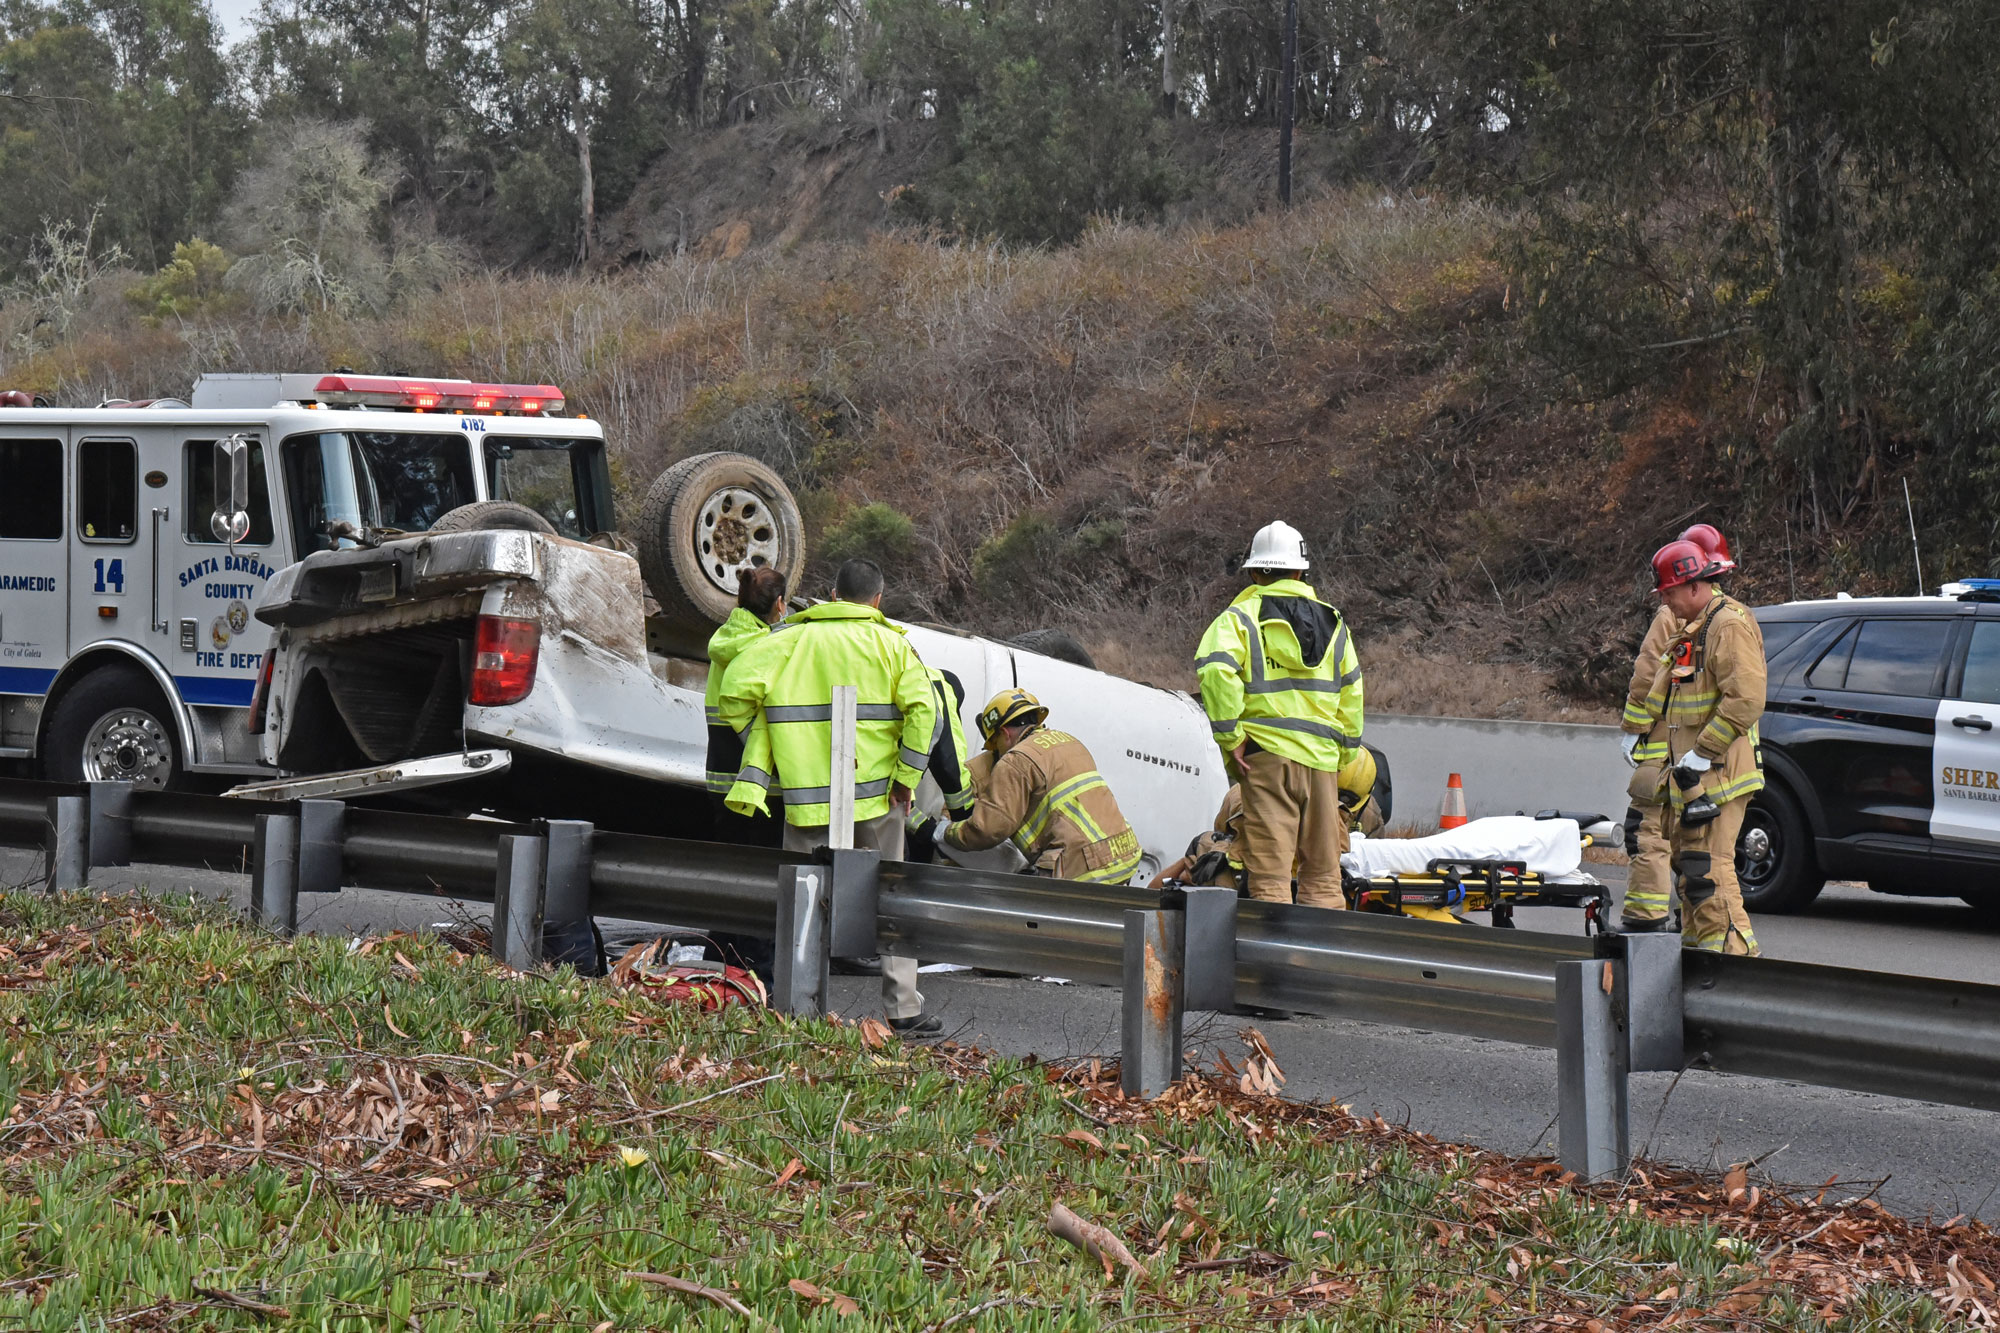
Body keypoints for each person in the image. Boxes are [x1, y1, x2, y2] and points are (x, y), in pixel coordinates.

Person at [718, 558, 941, 1035]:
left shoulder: (790, 640)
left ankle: (796, 1005)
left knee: (800, 899)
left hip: (806, 798)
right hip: (879, 798)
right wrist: (906, 776)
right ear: (877, 599)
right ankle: (902, 1009)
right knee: (890, 899)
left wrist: (769, 747)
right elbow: (927, 713)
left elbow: (734, 691)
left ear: (834, 596)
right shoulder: (895, 647)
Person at [1194, 521, 1363, 909]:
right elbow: (1352, 691)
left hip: (1265, 760)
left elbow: (1216, 670)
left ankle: (1276, 965)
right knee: (1323, 875)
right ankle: (1321, 963)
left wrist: (1230, 736)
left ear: (1255, 571)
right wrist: (1343, 755)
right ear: (1301, 570)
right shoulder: (1335, 623)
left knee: (1270, 876)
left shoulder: (1239, 618)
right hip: (1322, 764)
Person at [1628, 539, 1766, 955]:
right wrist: (1636, 731)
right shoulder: (1696, 626)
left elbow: (1746, 697)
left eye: (1669, 593)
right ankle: (1699, 969)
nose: (1666, 604)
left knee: (1711, 874)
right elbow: (1664, 697)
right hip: (1693, 781)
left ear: (1694, 585)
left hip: (1718, 776)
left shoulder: (1727, 625)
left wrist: (1704, 750)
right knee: (1692, 877)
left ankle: (1736, 974)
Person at [1617, 523, 1735, 931]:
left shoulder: (1680, 615)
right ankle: (1686, 932)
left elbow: (1648, 671)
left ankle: (1645, 921)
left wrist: (1633, 726)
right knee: (1690, 846)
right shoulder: (1723, 615)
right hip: (1695, 756)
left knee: (1647, 832)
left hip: (1664, 748)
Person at [932, 689, 1143, 884]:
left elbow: (988, 829)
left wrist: (947, 832)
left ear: (1004, 733)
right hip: (1125, 854)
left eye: (995, 744)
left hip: (1084, 869)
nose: (996, 753)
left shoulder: (1015, 760)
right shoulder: (1070, 742)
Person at [704, 567, 789, 818]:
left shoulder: (723, 639)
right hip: (761, 788)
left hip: (720, 781)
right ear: (780, 604)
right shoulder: (771, 648)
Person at [1149, 785, 1246, 890]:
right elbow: (1155, 890)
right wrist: (1184, 865)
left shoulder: (1206, 843)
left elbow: (1152, 893)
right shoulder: (1206, 844)